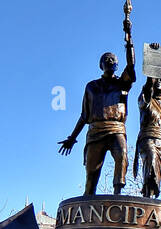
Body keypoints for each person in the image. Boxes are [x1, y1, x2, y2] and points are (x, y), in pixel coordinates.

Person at [58, 12, 138, 195]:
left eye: (113, 60)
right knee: (91, 177)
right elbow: (84, 116)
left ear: (117, 65)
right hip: (95, 131)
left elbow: (132, 66)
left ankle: (118, 194)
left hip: (116, 128)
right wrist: (72, 138)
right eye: (106, 59)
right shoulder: (91, 87)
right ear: (100, 65)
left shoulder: (123, 83)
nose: (110, 61)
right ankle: (88, 207)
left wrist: (129, 38)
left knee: (122, 155)